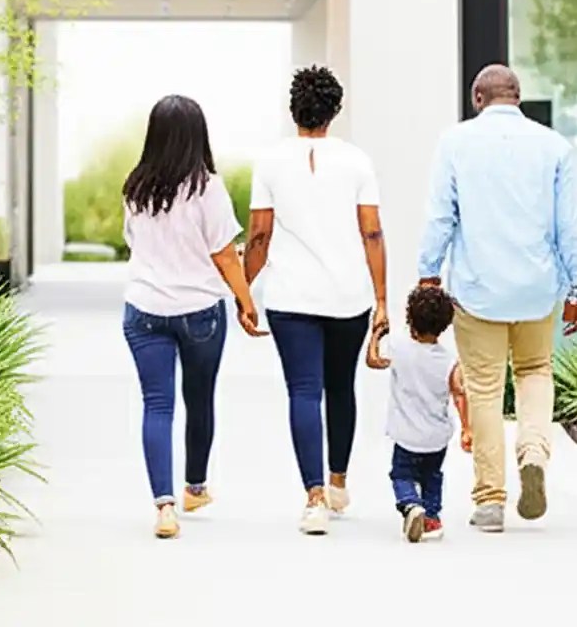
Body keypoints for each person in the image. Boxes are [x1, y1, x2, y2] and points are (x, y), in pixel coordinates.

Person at [416, 64, 577, 534]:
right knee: (535, 373)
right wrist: (576, 286)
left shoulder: (454, 143)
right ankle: (534, 452)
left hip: (479, 289)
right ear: (518, 97)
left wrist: (428, 274)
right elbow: (569, 226)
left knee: (485, 389)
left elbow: (440, 217)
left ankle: (490, 501)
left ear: (477, 98)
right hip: (537, 288)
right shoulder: (554, 146)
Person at [244, 65, 388, 536]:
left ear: (294, 110)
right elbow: (372, 231)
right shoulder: (357, 162)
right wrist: (382, 298)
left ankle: (314, 498)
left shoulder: (269, 162)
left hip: (291, 296)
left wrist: (243, 292)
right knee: (341, 387)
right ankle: (339, 481)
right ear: (335, 110)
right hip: (349, 296)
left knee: (303, 392)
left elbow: (260, 238)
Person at [121, 95, 267, 540]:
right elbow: (224, 254)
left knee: (157, 405)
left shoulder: (135, 187)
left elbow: (134, 244)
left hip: (145, 310)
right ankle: (195, 488)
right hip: (200, 312)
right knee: (199, 399)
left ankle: (164, 507)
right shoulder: (207, 187)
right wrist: (246, 301)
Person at [365, 285, 472, 543]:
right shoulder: (449, 361)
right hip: (436, 438)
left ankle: (411, 506)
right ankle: (432, 519)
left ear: (409, 318)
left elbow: (373, 360)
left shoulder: (399, 347)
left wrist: (376, 334)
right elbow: (460, 394)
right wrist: (468, 428)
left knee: (402, 475)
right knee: (432, 476)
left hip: (406, 436)